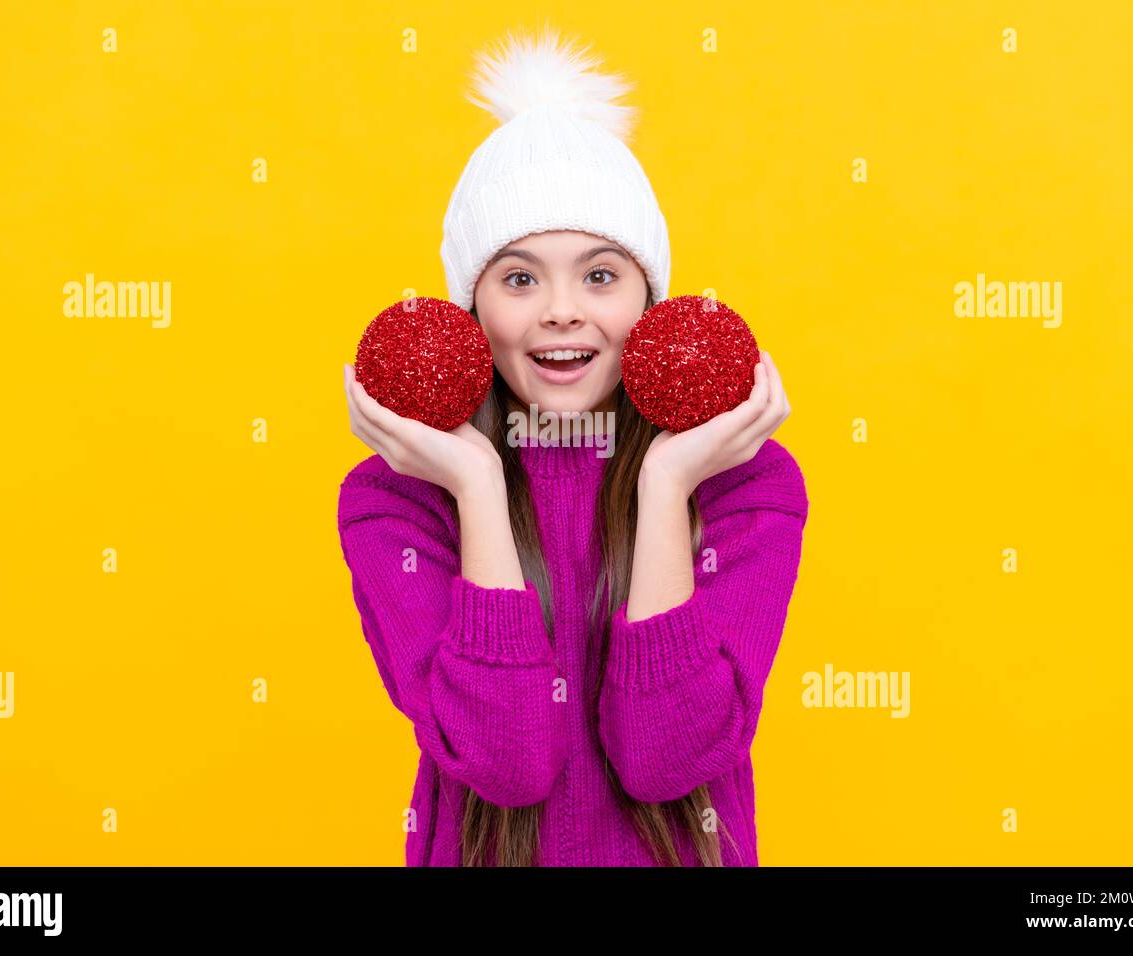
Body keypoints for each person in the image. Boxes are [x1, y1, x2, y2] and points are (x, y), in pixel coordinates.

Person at [337, 26, 808, 866]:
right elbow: (506, 765)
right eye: (520, 278)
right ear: (469, 308)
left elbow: (666, 762)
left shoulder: (745, 485)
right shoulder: (395, 499)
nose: (561, 310)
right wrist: (477, 486)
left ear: (652, 298)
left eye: (599, 275)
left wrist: (666, 487)